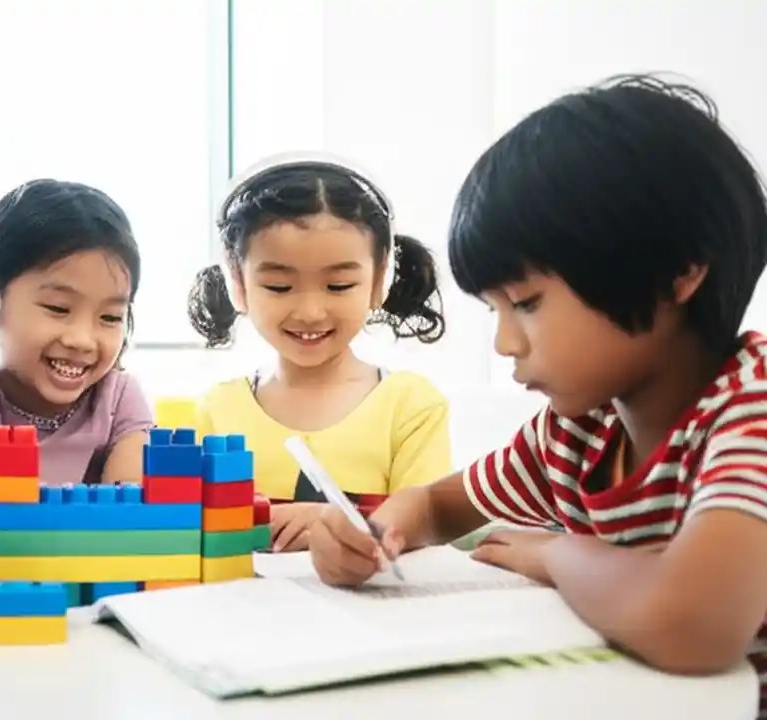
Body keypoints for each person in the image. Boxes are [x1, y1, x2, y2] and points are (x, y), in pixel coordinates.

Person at [309, 76, 767, 713]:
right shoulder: (578, 431)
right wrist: (376, 533)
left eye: (526, 303)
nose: (504, 343)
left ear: (676, 272)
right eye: (495, 308)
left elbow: (694, 626)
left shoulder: (751, 409)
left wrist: (556, 551)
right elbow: (441, 507)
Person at [188, 155, 450, 551]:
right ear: (238, 283)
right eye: (278, 286)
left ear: (380, 278)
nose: (310, 312)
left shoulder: (411, 406)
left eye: (339, 285)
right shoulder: (216, 409)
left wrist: (344, 523)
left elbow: (431, 529)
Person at [0, 179, 153, 486]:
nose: (82, 339)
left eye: (110, 317)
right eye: (58, 308)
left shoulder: (119, 398)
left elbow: (130, 521)